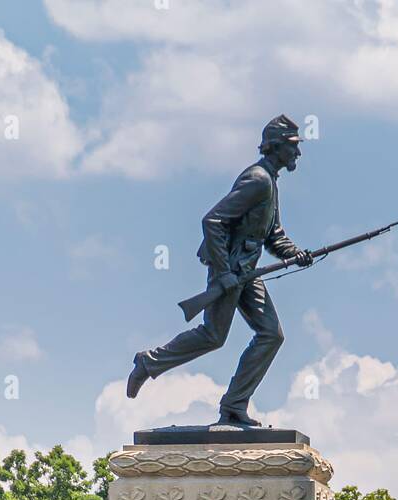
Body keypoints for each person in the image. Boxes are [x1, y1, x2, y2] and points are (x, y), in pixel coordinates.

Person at [126, 114, 313, 427]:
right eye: (293, 146)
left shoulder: (270, 182)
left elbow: (272, 234)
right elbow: (212, 221)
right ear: (276, 146)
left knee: (271, 335)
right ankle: (148, 361)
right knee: (213, 335)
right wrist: (224, 273)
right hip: (230, 271)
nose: (298, 153)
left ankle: (234, 406)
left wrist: (297, 254)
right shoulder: (258, 180)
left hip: (246, 273)